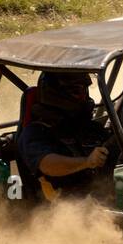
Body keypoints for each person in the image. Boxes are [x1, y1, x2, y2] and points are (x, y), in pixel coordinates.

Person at [15, 70, 109, 199]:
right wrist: (87, 162)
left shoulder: (91, 128)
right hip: (61, 207)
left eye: (85, 91)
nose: (83, 97)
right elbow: (46, 164)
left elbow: (117, 148)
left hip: (104, 196)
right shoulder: (35, 132)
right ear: (55, 94)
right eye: (77, 92)